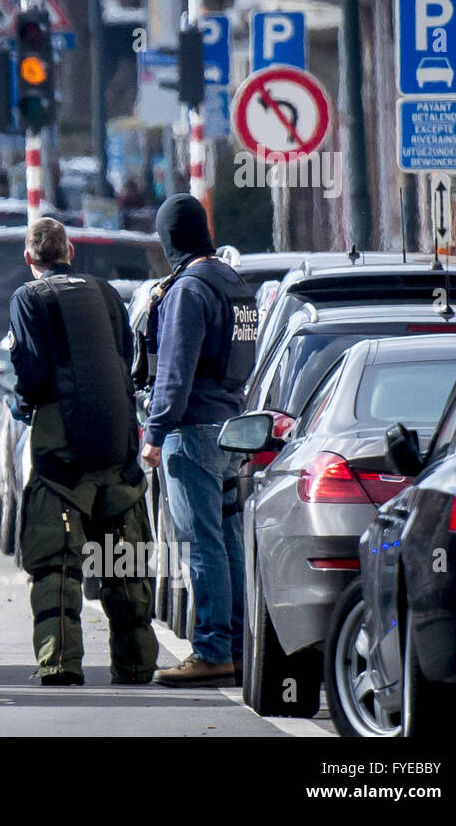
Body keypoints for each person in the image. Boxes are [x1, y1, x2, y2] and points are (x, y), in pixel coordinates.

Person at [6, 218, 159, 685]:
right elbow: (126, 357)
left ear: (30, 259)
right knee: (124, 557)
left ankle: (60, 664)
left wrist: (22, 403)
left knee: (58, 561)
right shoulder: (107, 291)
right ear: (70, 251)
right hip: (117, 440)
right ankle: (135, 664)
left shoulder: (28, 297)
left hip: (63, 445)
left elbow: (31, 372)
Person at [139, 194, 256, 687]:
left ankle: (209, 651)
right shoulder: (235, 283)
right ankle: (234, 645)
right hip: (230, 428)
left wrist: (155, 432)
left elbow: (174, 370)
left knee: (201, 544)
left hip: (191, 433)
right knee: (227, 540)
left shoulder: (188, 289)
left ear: (171, 239)